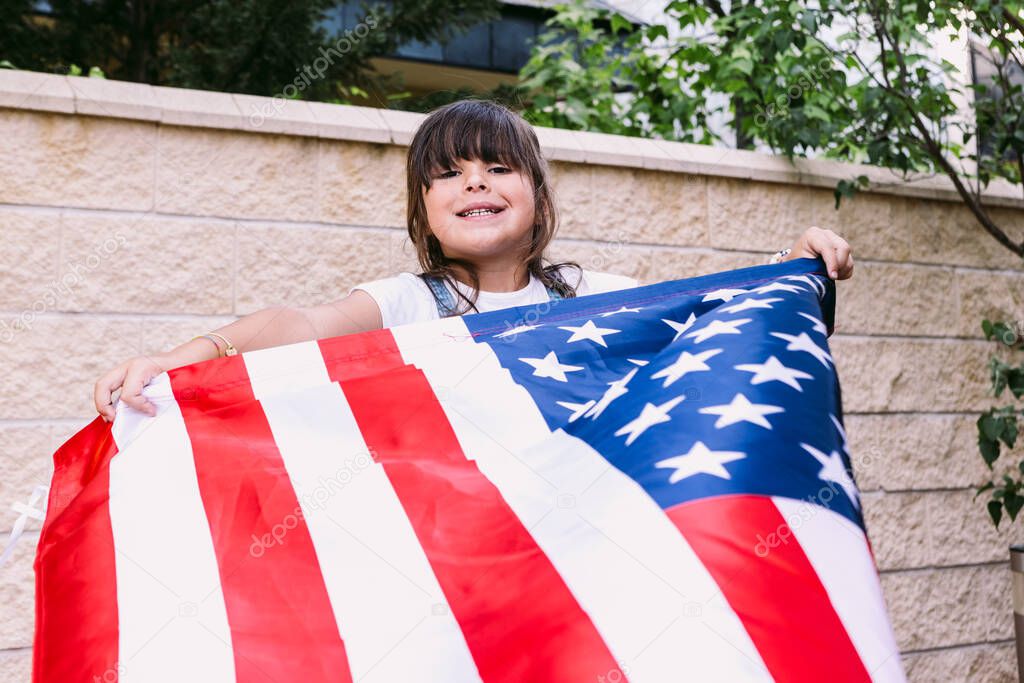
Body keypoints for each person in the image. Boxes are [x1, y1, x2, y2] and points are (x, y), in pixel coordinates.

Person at [93, 99, 854, 422]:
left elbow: (701, 312)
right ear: (424, 208)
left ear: (536, 195)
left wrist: (789, 267)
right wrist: (180, 355)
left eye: (497, 167)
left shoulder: (584, 293)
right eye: (450, 172)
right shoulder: (406, 301)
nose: (476, 182)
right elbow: (300, 322)